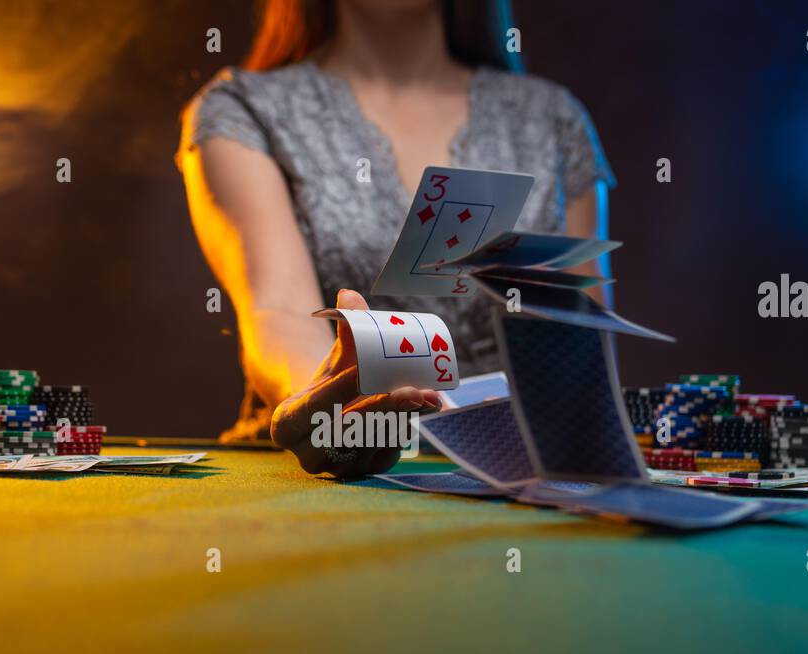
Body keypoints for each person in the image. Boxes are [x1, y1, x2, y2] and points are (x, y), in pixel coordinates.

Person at [178, 0, 615, 477]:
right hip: (324, 483)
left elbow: (583, 335)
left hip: (523, 477)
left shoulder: (552, 117)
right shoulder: (243, 107)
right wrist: (331, 402)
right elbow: (277, 308)